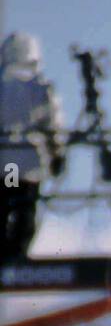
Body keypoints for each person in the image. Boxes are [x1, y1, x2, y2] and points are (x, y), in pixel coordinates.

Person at [0, 32, 65, 257]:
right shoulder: (40, 87)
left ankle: (6, 255)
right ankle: (18, 255)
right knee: (25, 211)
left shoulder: (3, 84)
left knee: (5, 206)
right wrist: (58, 154)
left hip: (5, 165)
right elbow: (52, 124)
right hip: (30, 165)